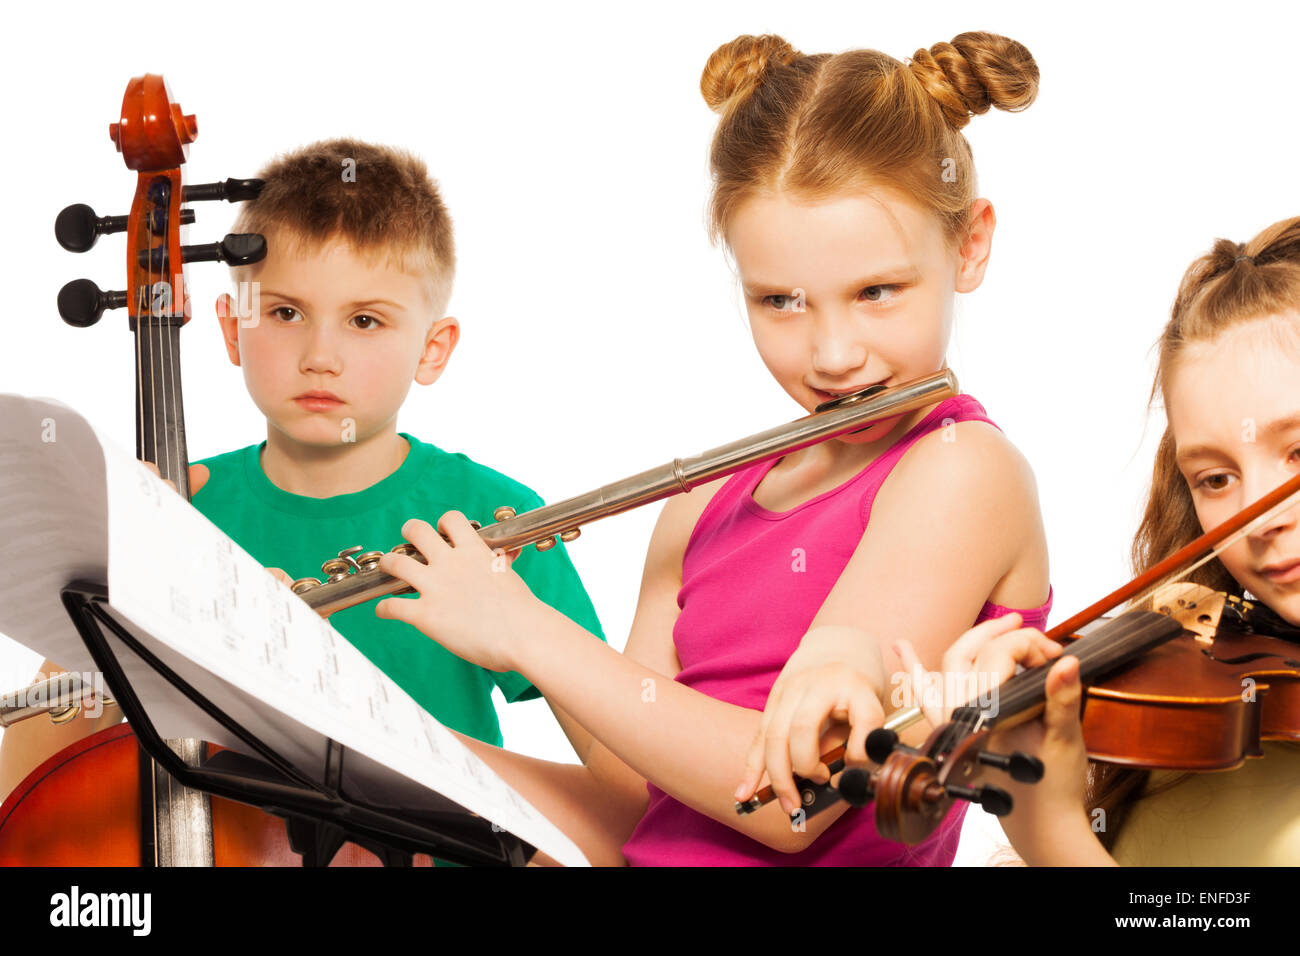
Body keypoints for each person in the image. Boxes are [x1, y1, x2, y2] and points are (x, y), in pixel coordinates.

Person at [370, 31, 1053, 866]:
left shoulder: (959, 472)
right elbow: (634, 802)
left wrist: (528, 633)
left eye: (877, 291)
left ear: (970, 244)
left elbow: (781, 799)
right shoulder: (702, 505)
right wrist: (374, 744)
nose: (834, 353)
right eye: (781, 301)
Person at [0, 139, 604, 802]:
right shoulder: (172, 513)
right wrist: (118, 577)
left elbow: (628, 783)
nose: (321, 356)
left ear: (433, 349)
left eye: (365, 320)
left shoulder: (496, 516)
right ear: (232, 330)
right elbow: (24, 782)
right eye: (285, 313)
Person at [991, 215, 1300, 866]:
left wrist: (1056, 842)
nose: (1257, 515)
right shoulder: (1197, 714)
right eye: (1216, 478)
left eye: (1297, 452)